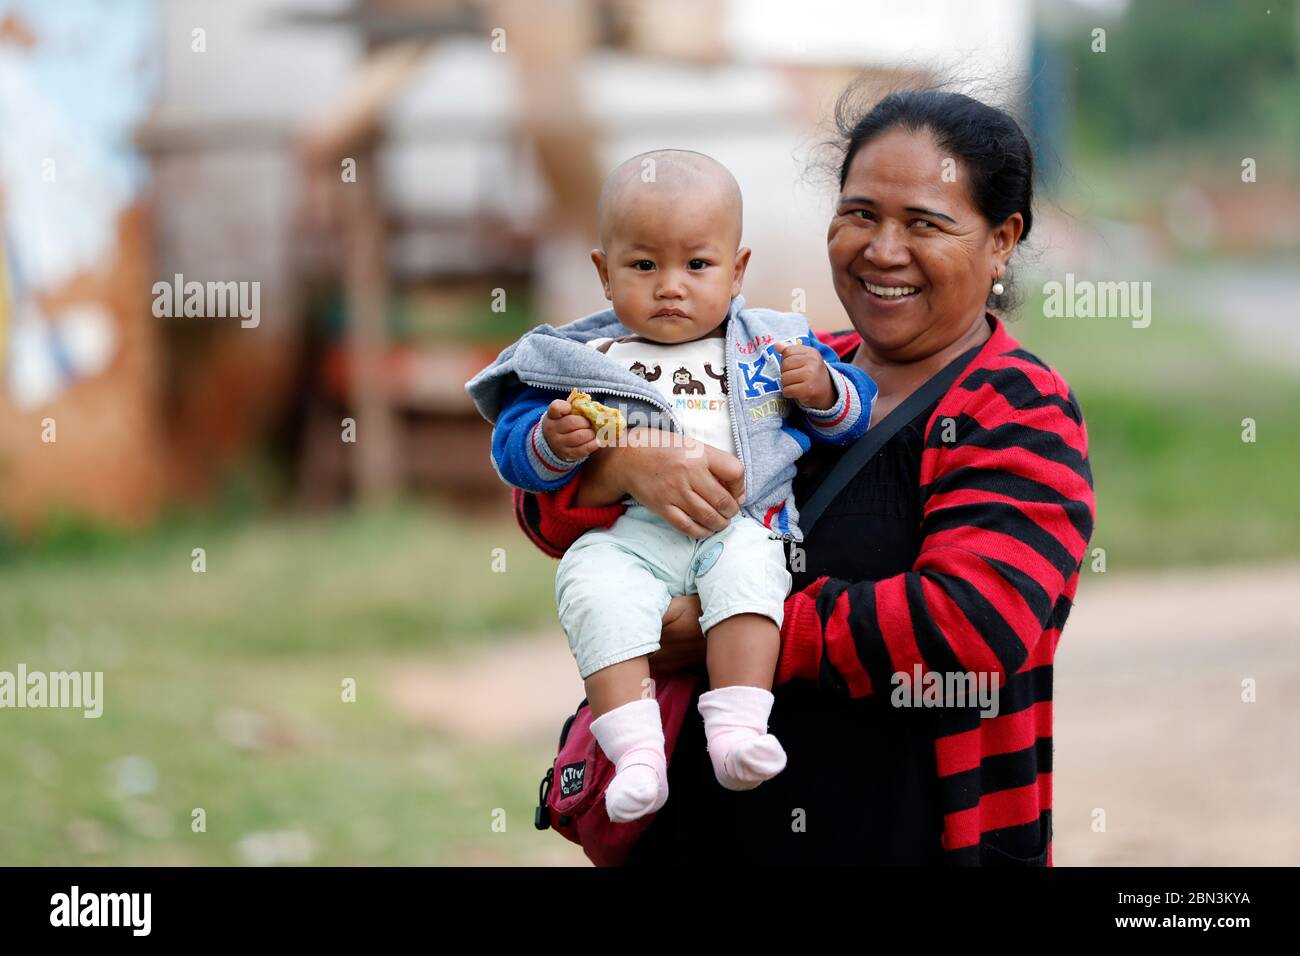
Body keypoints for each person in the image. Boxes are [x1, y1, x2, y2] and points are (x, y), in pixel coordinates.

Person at [514, 89, 1097, 865]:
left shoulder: (1017, 405)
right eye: (860, 214)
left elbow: (975, 628)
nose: (883, 250)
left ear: (1002, 240)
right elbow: (544, 514)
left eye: (925, 222)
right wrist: (623, 465)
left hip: (909, 836)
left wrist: (737, 628)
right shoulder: (777, 369)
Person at [465, 150, 877, 824]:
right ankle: (634, 753)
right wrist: (552, 441)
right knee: (591, 585)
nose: (671, 287)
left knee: (754, 577)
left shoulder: (769, 347)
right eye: (644, 265)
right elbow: (512, 448)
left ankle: (740, 726)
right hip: (631, 538)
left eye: (697, 265)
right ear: (603, 272)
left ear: (738, 270)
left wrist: (825, 389)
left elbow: (854, 407)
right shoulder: (583, 360)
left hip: (737, 526)